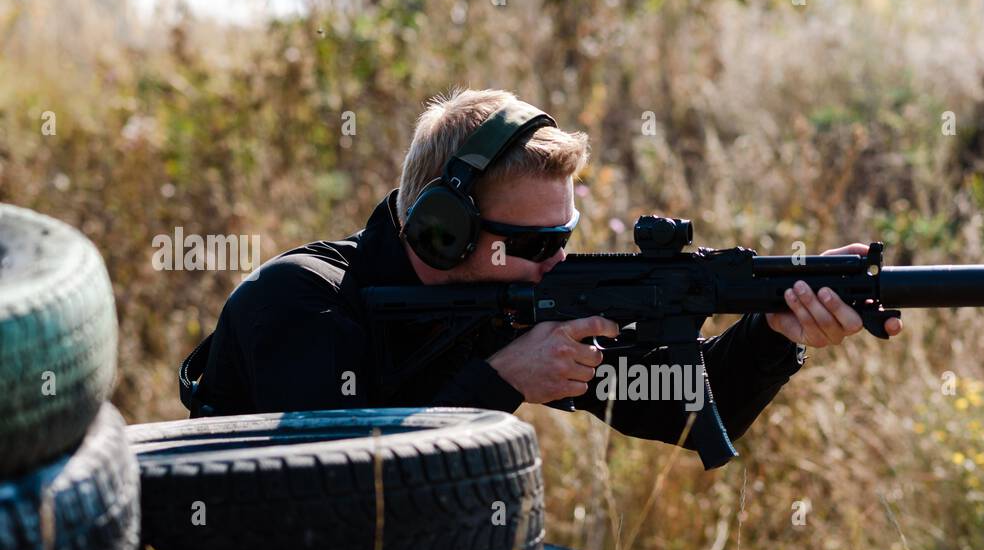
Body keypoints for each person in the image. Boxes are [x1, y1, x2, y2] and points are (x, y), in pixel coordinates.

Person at [179, 87, 900, 455]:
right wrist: (502, 381)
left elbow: (675, 406)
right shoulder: (300, 302)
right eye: (532, 244)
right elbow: (338, 496)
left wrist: (774, 332)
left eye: (565, 236)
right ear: (443, 232)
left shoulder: (510, 301)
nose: (555, 261)